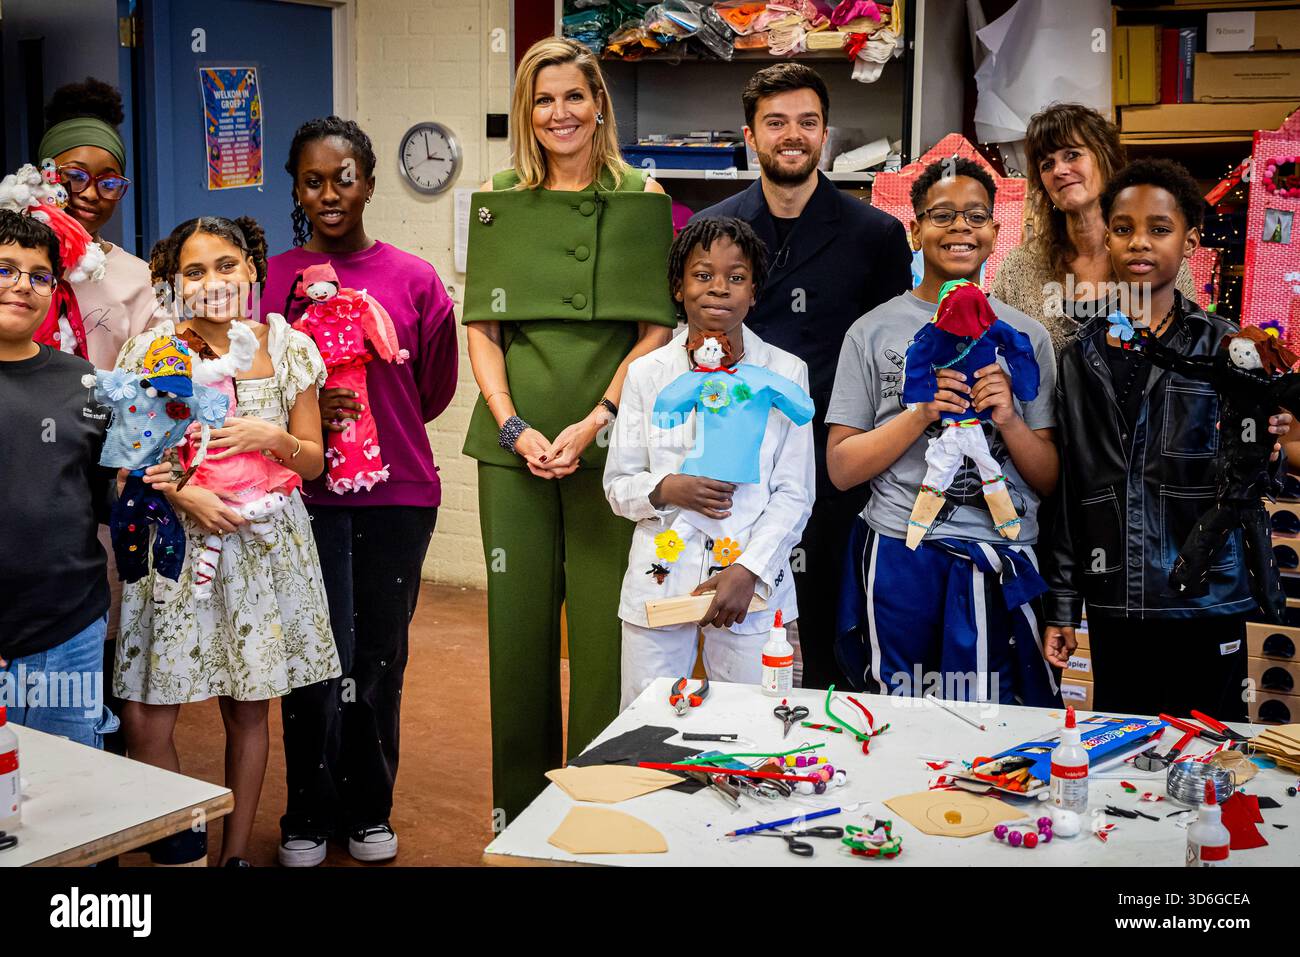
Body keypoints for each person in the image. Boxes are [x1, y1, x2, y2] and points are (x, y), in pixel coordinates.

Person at [463, 37, 677, 825]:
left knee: (602, 634)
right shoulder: (498, 196)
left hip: (609, 446)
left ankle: (590, 801)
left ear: (599, 105)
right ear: (528, 111)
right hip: (511, 449)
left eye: (574, 97)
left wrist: (598, 420)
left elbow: (655, 331)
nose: (560, 114)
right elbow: (480, 325)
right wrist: (512, 423)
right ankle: (518, 806)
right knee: (516, 633)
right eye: (543, 100)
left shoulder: (642, 197)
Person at [262, 116, 458, 866]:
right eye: (313, 180)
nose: (330, 192)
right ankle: (306, 814)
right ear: (298, 190)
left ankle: (369, 810)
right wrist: (306, 408)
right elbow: (251, 389)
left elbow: (431, 388)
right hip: (301, 499)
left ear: (370, 182)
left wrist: (376, 404)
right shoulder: (274, 279)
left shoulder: (413, 277)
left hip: (398, 494)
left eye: (344, 176)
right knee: (313, 661)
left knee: (377, 658)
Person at [114, 215, 338, 867]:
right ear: (173, 284)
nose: (212, 281)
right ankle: (181, 845)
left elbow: (315, 461)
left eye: (226, 265)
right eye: (194, 270)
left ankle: (234, 855)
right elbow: (131, 460)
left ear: (251, 271)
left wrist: (278, 441)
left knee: (247, 709)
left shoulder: (291, 348)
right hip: (177, 548)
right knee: (149, 716)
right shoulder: (155, 351)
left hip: (263, 549)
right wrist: (186, 493)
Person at [1043, 158, 1298, 720]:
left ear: (1191, 238)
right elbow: (1071, 487)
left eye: (1159, 229)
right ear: (1106, 236)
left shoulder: (1229, 349)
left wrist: (1269, 444)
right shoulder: (1081, 356)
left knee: (1210, 760)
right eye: (1123, 227)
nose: (1140, 243)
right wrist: (1063, 602)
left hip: (1207, 598)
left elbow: (1258, 472)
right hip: (1116, 603)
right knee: (1123, 762)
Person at [692, 62, 912, 690]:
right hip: (738, 457)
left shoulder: (875, 235)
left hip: (835, 455)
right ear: (750, 135)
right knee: (734, 620)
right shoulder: (716, 229)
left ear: (824, 134)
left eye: (807, 122)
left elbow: (889, 356)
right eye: (776, 123)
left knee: (831, 630)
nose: (793, 135)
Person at [826, 158, 1059, 706]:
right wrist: (921, 411)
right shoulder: (872, 331)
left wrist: (1008, 417)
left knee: (998, 714)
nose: (960, 228)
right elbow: (840, 469)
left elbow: (1049, 479)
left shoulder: (1027, 335)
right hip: (902, 550)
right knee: (898, 704)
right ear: (915, 229)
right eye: (942, 216)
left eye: (975, 216)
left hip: (1003, 551)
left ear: (995, 232)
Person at [606, 217, 815, 707]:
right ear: (678, 288)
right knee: (649, 719)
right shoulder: (645, 374)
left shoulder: (785, 372)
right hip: (661, 576)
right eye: (702, 275)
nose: (719, 288)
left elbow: (795, 492)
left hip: (752, 584)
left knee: (755, 720)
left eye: (736, 277)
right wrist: (666, 488)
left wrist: (749, 570)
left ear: (754, 291)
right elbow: (618, 485)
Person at [38, 77, 160, 752]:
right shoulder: (18, 263)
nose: (90, 191)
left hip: (106, 484)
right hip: (31, 479)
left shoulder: (135, 277)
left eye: (109, 180)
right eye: (73, 175)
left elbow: (155, 385)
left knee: (99, 657)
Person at [0, 210, 117, 748]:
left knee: (73, 802)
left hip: (69, 628)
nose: (22, 285)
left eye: (38, 274)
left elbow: (100, 500)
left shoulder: (85, 384)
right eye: (5, 268)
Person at [990, 103, 1198, 356]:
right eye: (1047, 164)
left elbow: (1188, 349)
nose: (1060, 170)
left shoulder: (1156, 258)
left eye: (1072, 155)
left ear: (1106, 158)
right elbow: (994, 352)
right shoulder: (1018, 268)